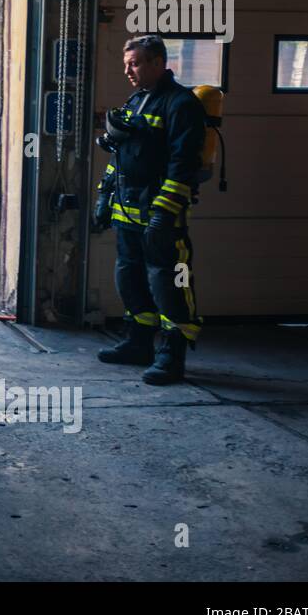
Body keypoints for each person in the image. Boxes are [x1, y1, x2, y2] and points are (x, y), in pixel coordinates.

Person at [91, 34, 205, 386]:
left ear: (158, 63)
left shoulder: (180, 104)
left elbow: (183, 163)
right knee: (130, 278)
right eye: (126, 64)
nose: (129, 71)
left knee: (167, 282)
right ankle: (138, 342)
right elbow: (120, 156)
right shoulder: (138, 99)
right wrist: (104, 195)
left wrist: (164, 212)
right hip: (127, 213)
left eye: (136, 63)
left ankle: (172, 355)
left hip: (160, 217)